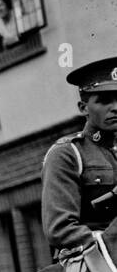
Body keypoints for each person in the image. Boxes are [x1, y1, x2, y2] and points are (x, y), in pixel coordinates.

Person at [42, 56, 117, 258]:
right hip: (91, 258)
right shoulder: (68, 154)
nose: (115, 107)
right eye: (104, 101)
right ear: (83, 108)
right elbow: (60, 228)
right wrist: (109, 242)